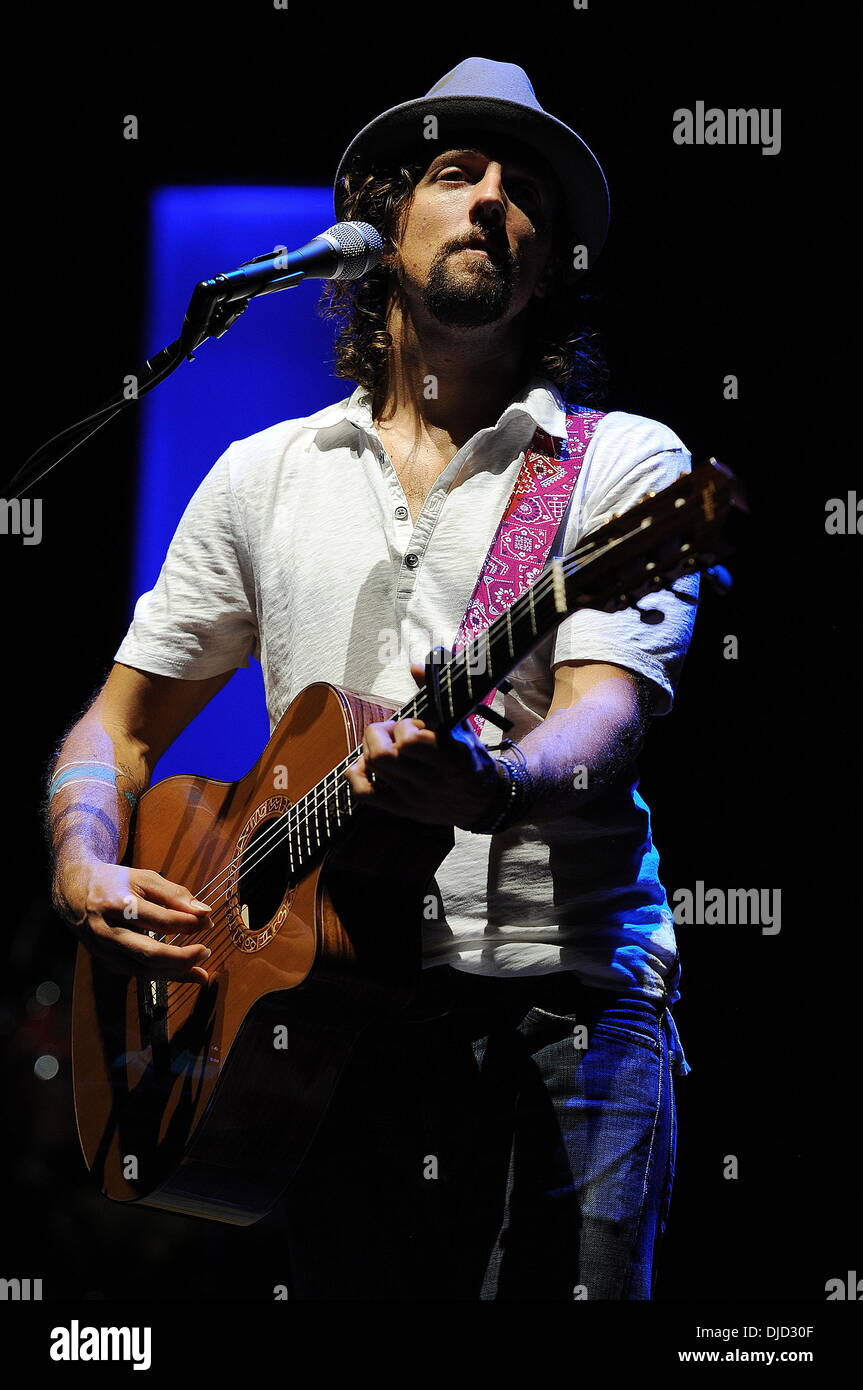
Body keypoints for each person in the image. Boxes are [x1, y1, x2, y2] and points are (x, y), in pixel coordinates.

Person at [47, 57, 696, 1300]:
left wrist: (492, 782)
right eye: (459, 173)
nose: (494, 200)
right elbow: (116, 729)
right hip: (330, 1020)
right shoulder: (262, 474)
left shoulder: (616, 466)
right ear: (379, 227)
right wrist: (83, 863)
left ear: (549, 260)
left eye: (526, 194)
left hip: (562, 1006)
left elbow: (602, 710)